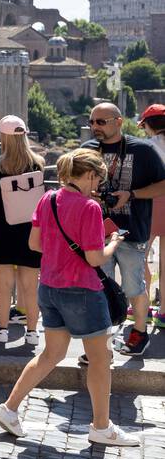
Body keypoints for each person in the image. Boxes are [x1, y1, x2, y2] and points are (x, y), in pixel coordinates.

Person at [0, 149, 139, 446]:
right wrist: (113, 243)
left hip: (49, 286)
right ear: (87, 175)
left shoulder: (47, 199)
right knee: (100, 359)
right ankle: (101, 427)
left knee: (51, 354)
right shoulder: (90, 208)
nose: (98, 185)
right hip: (82, 290)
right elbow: (95, 259)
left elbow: (35, 243)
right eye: (98, 178)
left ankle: (9, 409)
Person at [81, 103, 165, 356]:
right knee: (98, 290)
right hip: (96, 233)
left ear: (118, 122)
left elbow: (162, 185)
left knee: (134, 287)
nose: (95, 127)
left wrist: (131, 194)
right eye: (92, 122)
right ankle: (99, 346)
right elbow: (70, 184)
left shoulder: (144, 150)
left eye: (101, 122)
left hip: (132, 230)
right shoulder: (86, 151)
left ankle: (139, 334)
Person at [0, 116, 44, 346]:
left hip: (2, 229)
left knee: (3, 284)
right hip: (30, 231)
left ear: (3, 137)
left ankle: (2, 328)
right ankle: (32, 332)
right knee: (30, 286)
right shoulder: (38, 163)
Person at [138, 103, 165, 328]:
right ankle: (164, 312)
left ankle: (142, 307)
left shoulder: (146, 147)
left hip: (151, 202)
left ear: (148, 125)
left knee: (139, 257)